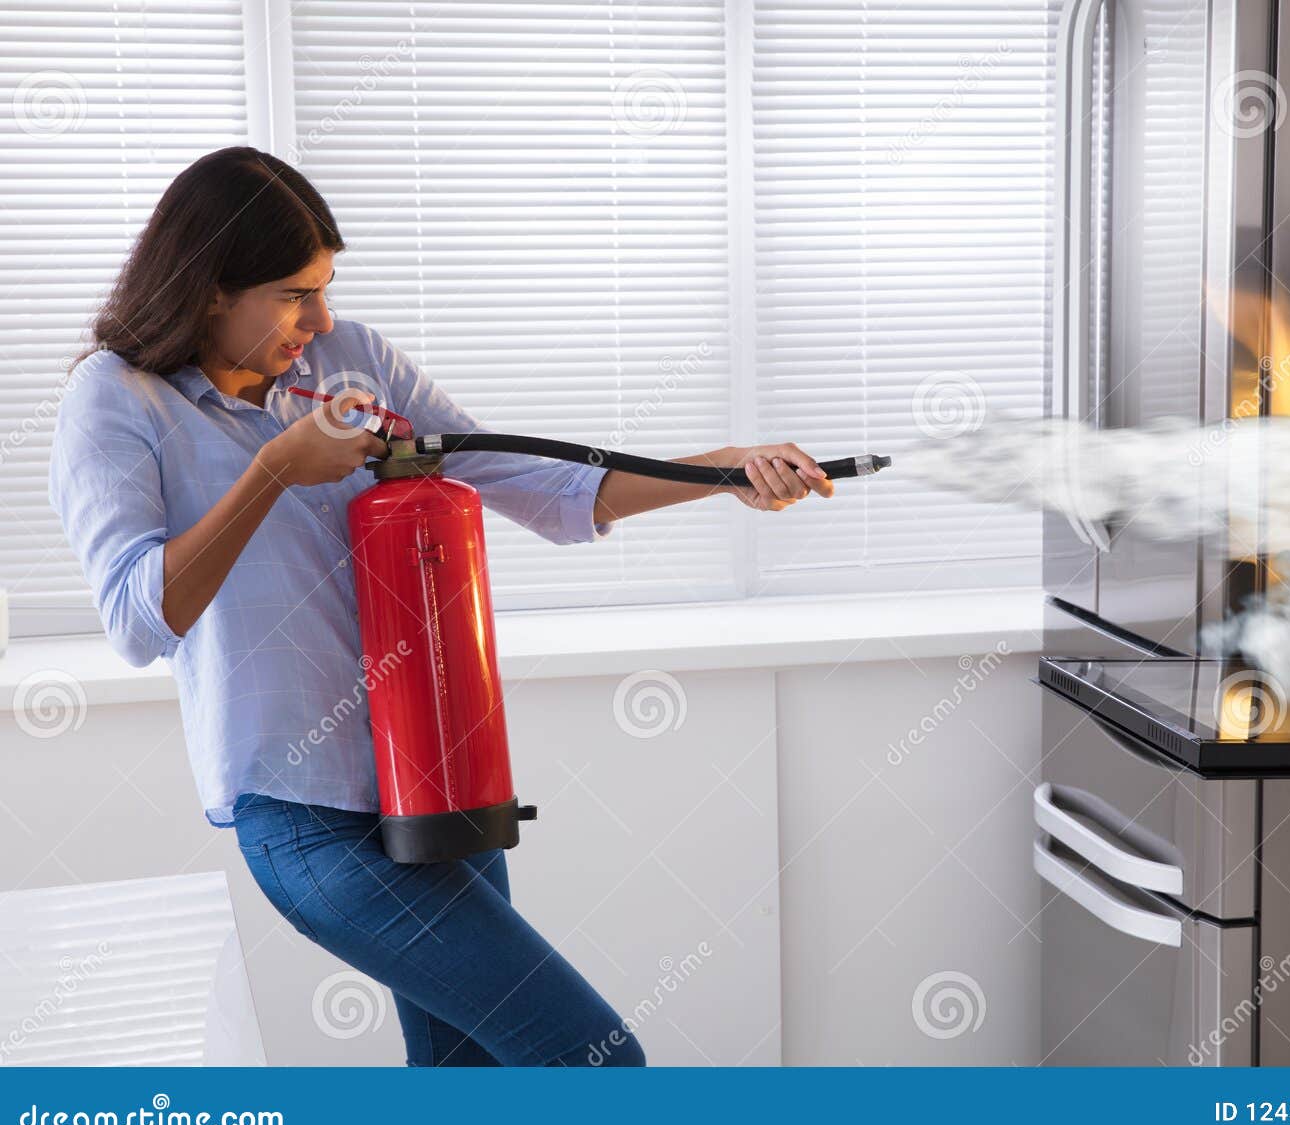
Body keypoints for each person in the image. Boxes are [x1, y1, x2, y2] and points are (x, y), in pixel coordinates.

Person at [48, 146, 834, 1066]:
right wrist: (273, 469)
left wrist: (721, 471)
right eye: (296, 294)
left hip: (439, 783)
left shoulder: (351, 359)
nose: (324, 316)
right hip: (305, 817)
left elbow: (536, 485)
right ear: (213, 287)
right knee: (591, 1059)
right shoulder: (115, 399)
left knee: (467, 1081)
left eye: (326, 287)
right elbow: (140, 619)